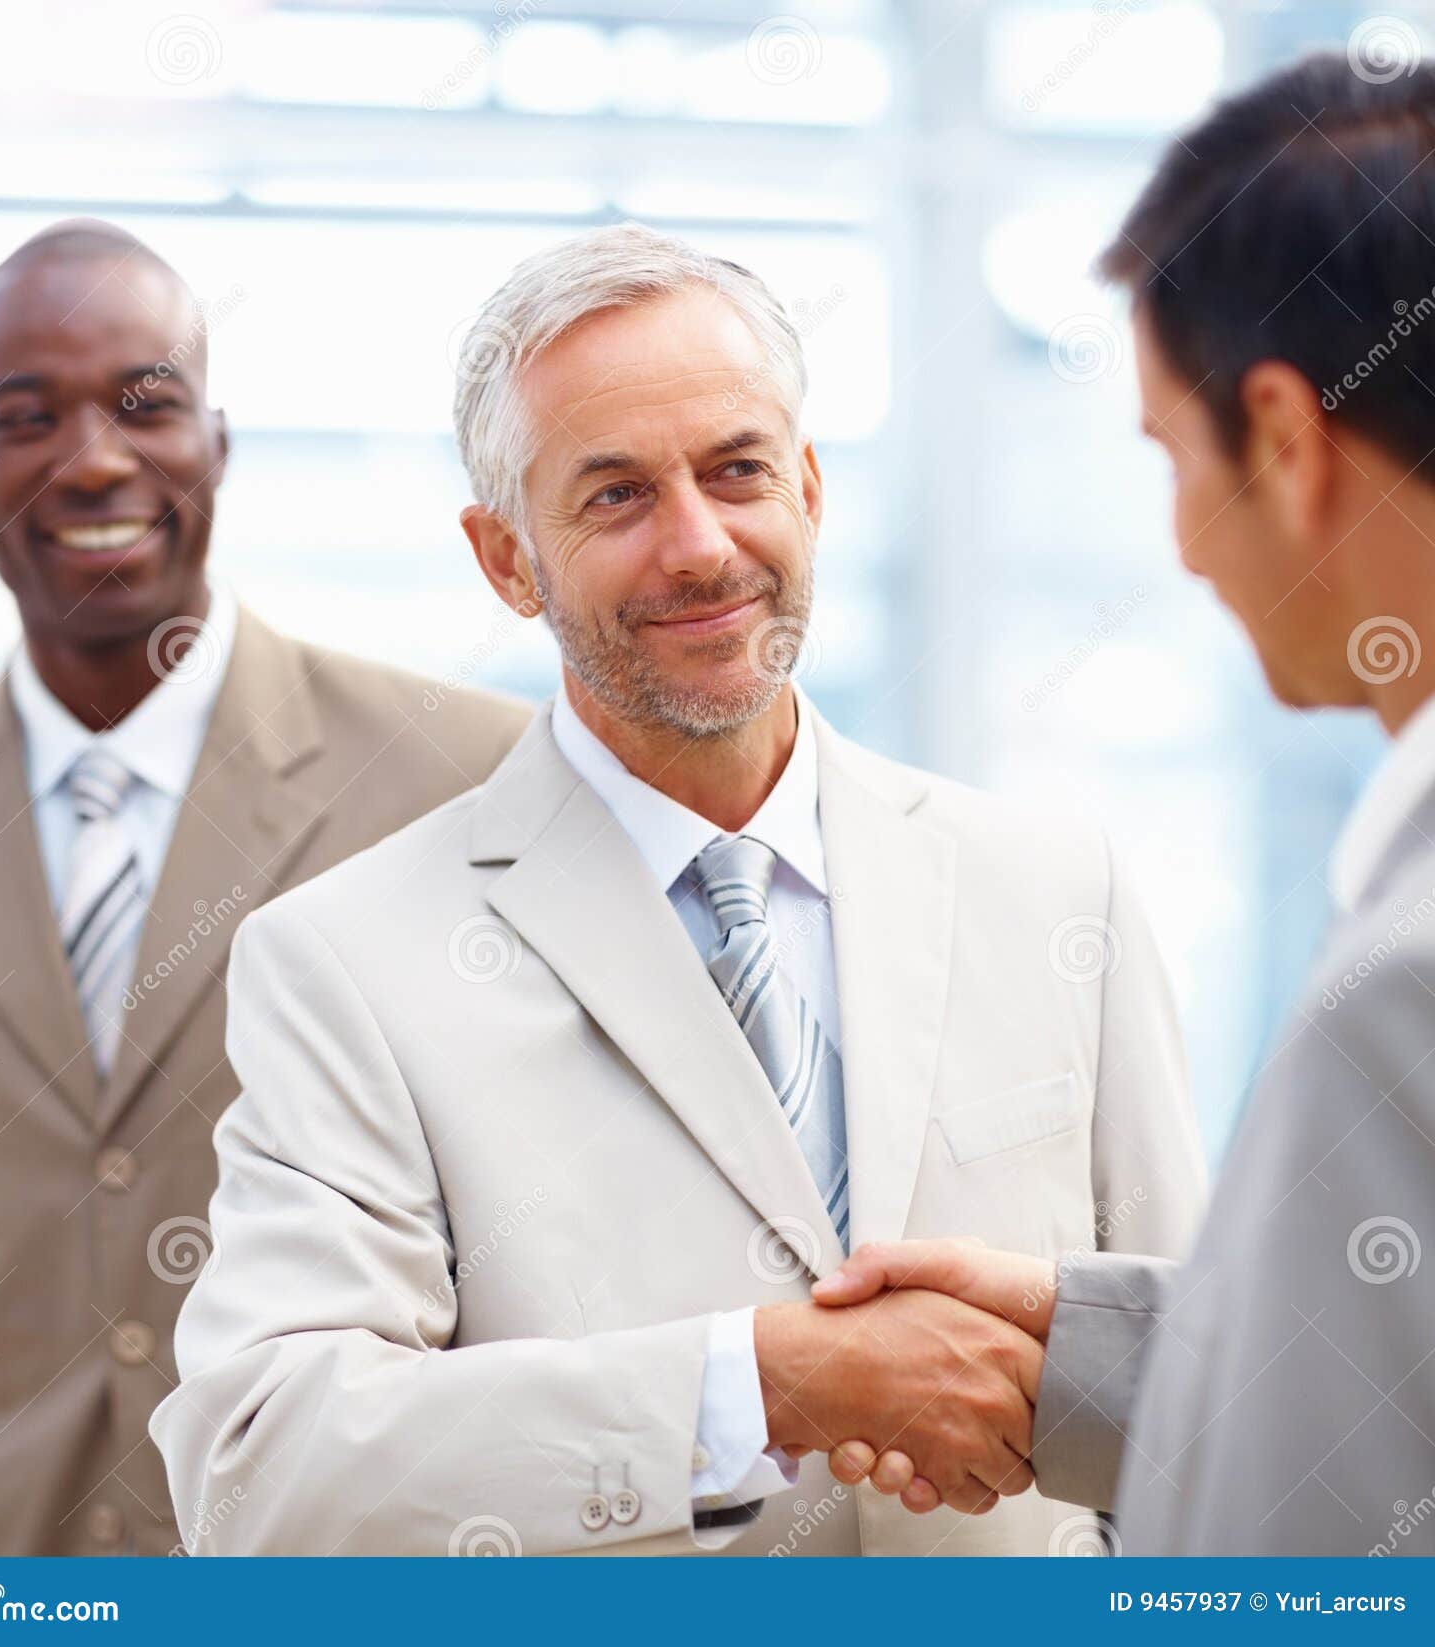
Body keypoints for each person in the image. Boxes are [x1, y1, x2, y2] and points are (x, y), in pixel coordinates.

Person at [149, 222, 1204, 1556]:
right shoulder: (348, 962)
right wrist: (757, 1387)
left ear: (808, 488)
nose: (700, 547)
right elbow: (259, 1473)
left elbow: (1224, 1393)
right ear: (506, 560)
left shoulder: (1059, 891)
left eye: (737, 470)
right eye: (616, 496)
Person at [814, 52, 1435, 1557]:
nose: (1185, 548)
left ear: (1284, 440)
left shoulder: (1402, 992)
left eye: (1171, 455)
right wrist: (1093, 1348)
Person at [0, 220, 528, 1556]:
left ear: (218, 441)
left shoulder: (460, 779)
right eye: (26, 418)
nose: (95, 459)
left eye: (145, 406)